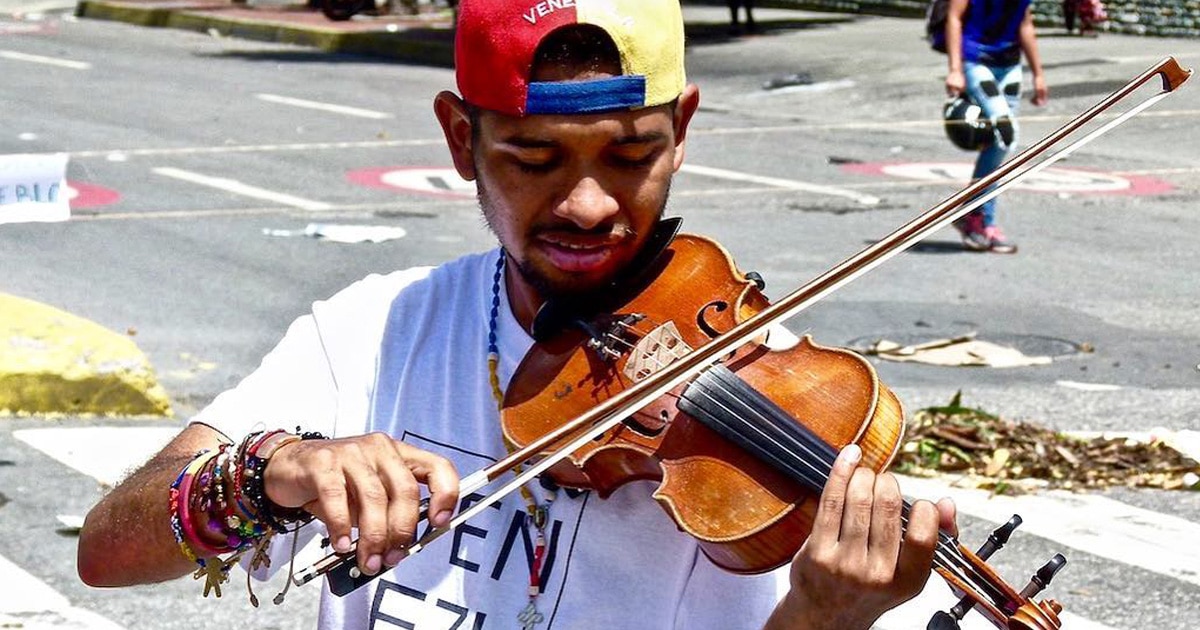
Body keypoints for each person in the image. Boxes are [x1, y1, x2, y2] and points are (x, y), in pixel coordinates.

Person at [76, 1, 957, 629]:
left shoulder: (788, 396)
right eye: (533, 155)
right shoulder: (370, 331)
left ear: (683, 130)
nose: (586, 204)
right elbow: (109, 552)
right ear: (461, 139)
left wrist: (824, 618)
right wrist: (270, 468)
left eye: (632, 154)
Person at [944, 0, 1049, 253]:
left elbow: (1024, 22)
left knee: (1000, 142)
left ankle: (979, 219)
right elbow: (954, 17)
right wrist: (955, 69)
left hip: (1010, 64)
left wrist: (1038, 74)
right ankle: (974, 213)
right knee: (1006, 135)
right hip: (976, 60)